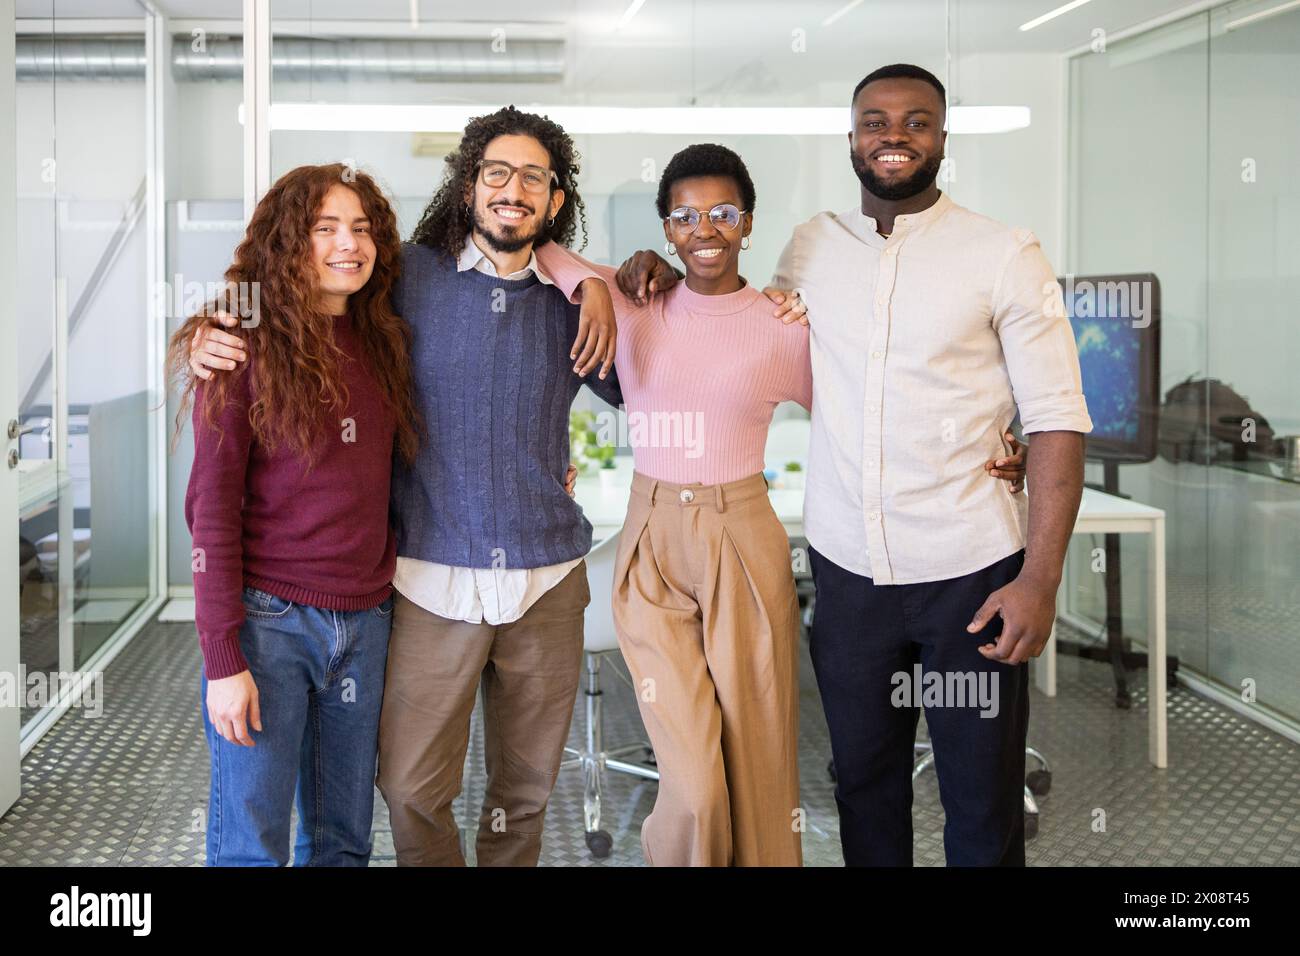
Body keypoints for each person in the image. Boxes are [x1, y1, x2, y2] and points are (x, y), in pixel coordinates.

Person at [616, 64, 1090, 867]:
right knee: (864, 790)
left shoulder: (1004, 254)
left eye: (915, 122)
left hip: (968, 576)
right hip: (849, 580)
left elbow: (1056, 421)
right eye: (876, 121)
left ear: (942, 137)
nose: (894, 136)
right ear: (851, 138)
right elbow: (736, 325)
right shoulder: (811, 247)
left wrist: (1040, 578)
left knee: (979, 801)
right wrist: (654, 272)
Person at [536, 143, 1027, 866]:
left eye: (723, 213)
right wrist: (598, 288)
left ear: (750, 223)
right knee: (697, 780)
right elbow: (544, 251)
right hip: (651, 547)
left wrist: (996, 437)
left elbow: (881, 398)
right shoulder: (637, 300)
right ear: (667, 228)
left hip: (744, 535)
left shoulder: (786, 325)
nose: (706, 229)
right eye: (686, 216)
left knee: (761, 758)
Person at [187, 107, 618, 867]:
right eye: (495, 172)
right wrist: (213, 322)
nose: (512, 189)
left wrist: (610, 283)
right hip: (393, 589)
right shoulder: (405, 282)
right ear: (466, 186)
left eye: (534, 178)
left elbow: (653, 364)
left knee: (475, 807)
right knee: (398, 791)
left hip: (490, 588)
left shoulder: (567, 300)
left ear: (556, 201)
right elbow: (284, 296)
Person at [169, 164, 421, 866]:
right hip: (268, 624)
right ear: (289, 240)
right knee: (253, 844)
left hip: (366, 624)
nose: (349, 243)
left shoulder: (384, 337)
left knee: (342, 840)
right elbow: (210, 512)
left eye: (363, 228)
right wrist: (223, 658)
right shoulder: (240, 345)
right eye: (326, 228)